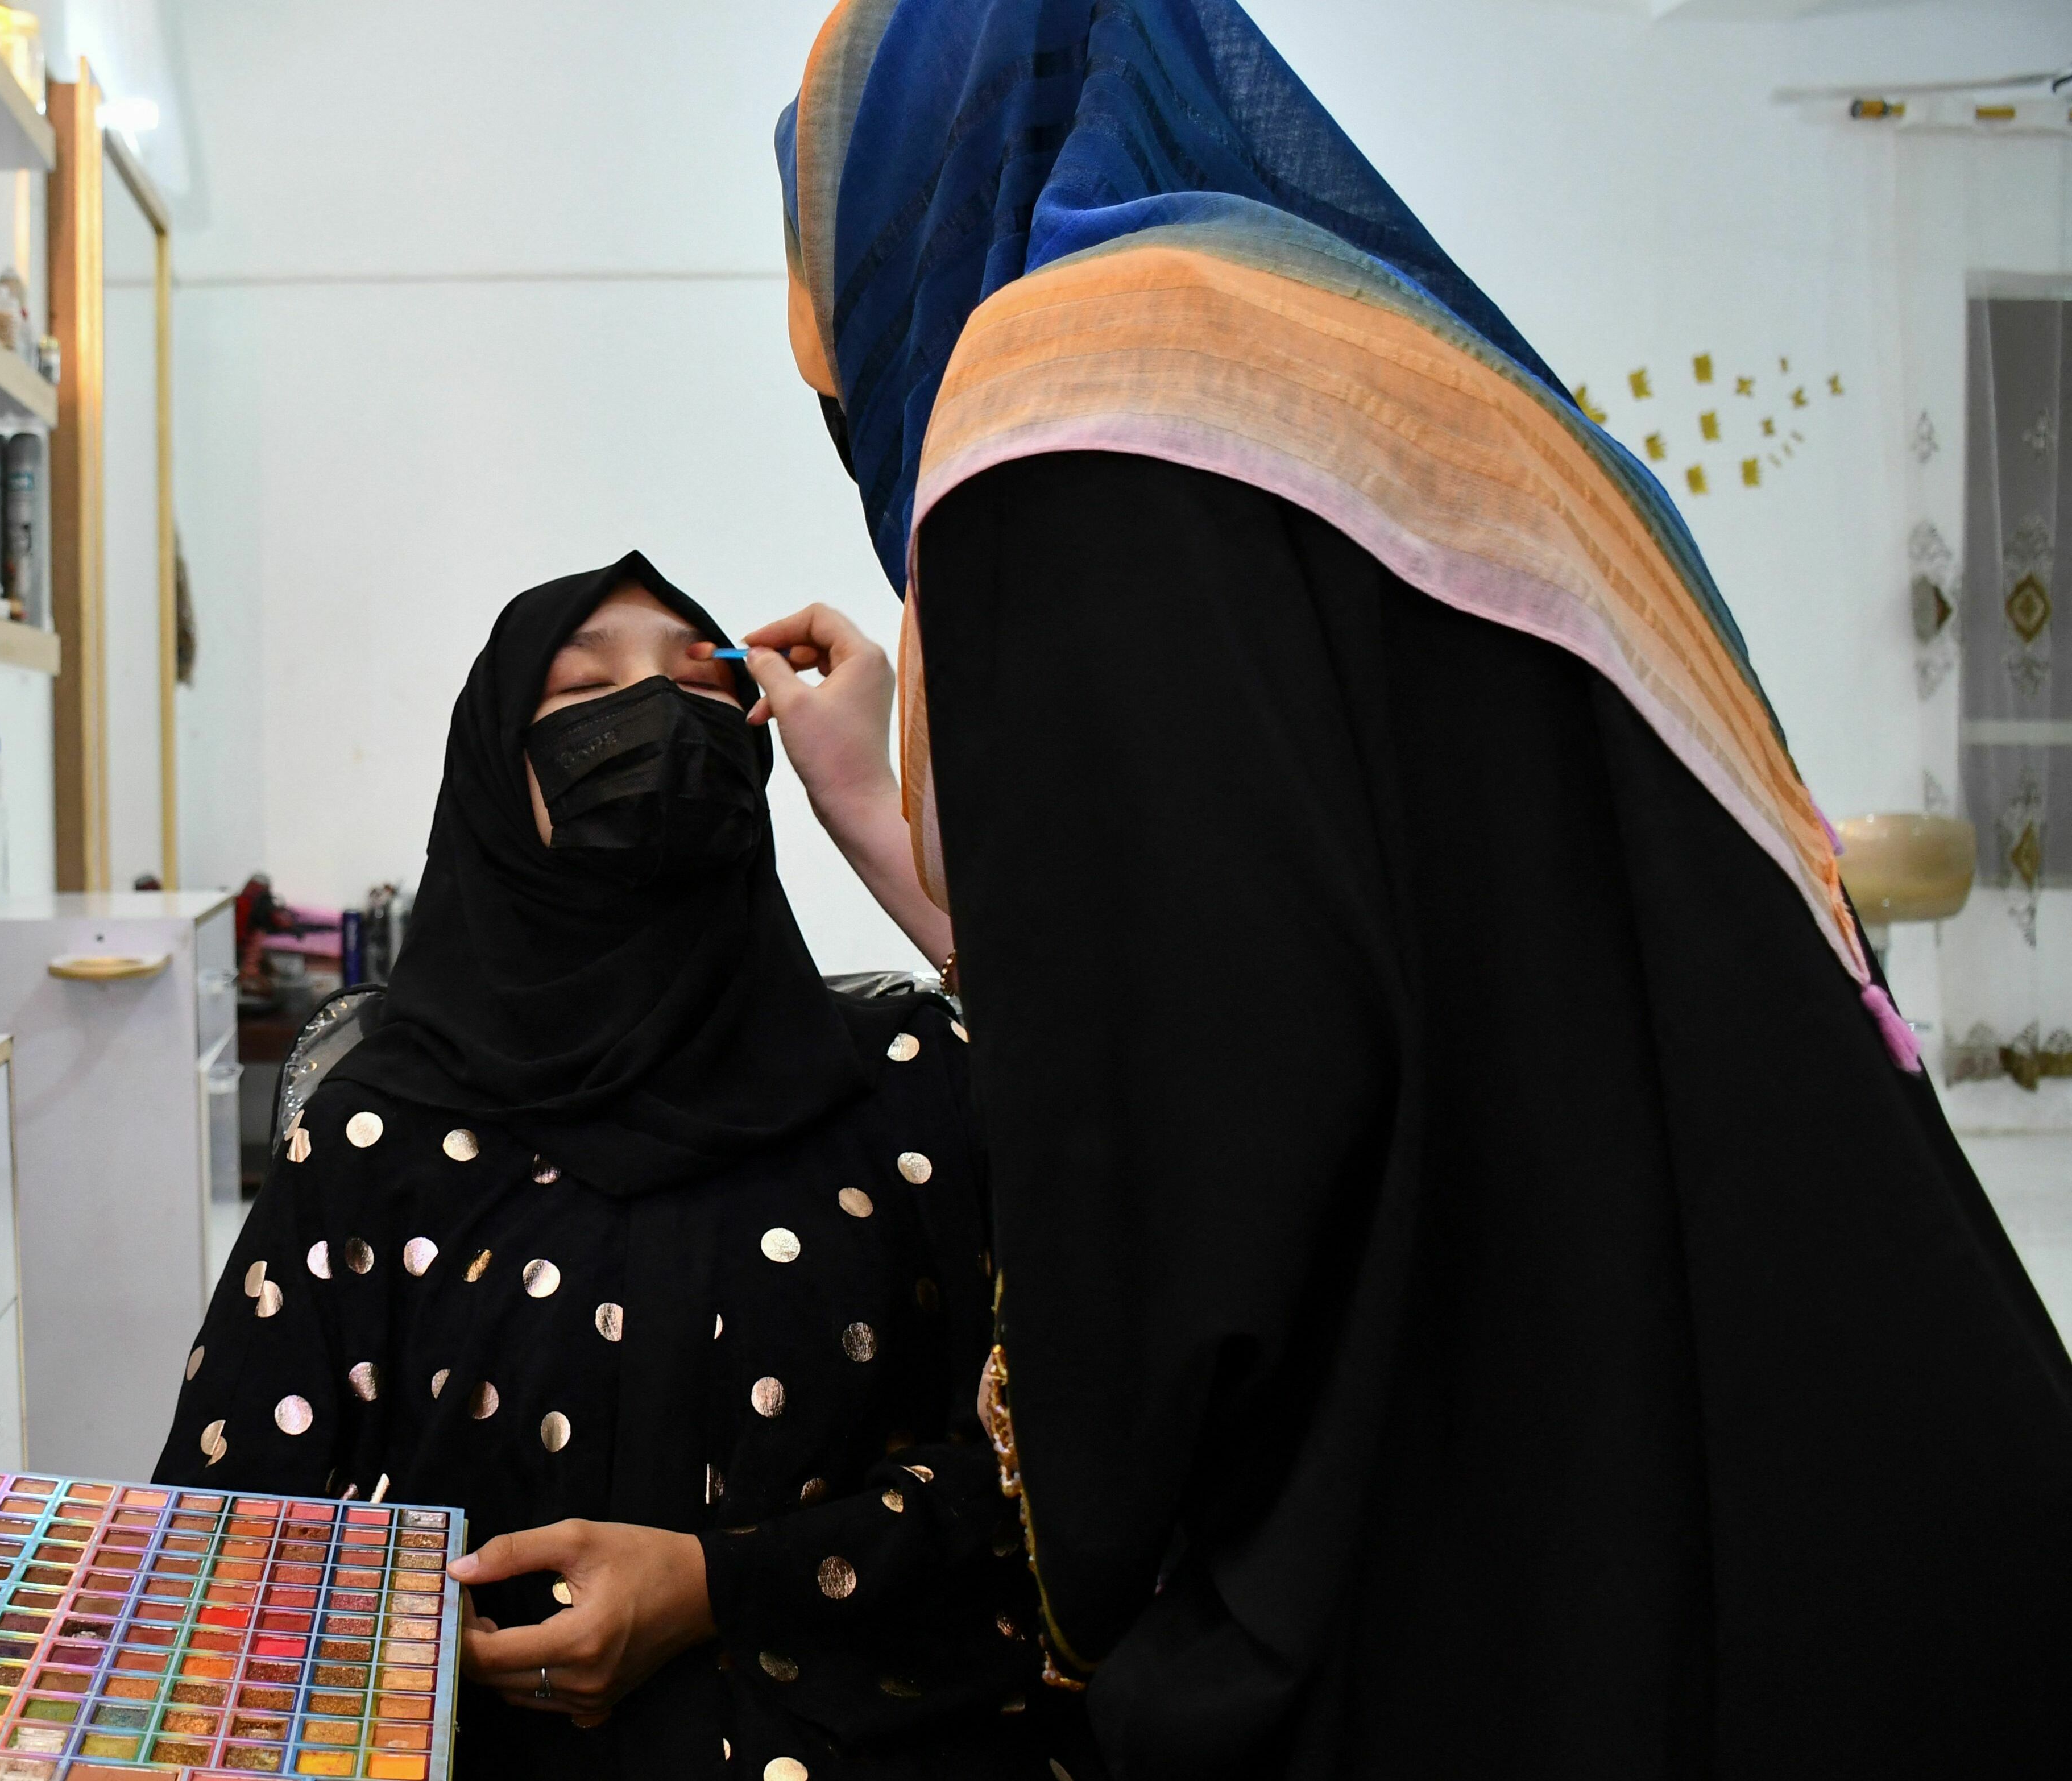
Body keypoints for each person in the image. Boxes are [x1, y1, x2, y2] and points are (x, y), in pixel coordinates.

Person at [758, 0, 2072, 1776]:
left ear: (902, 206)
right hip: (1827, 1461)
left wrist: (1097, 1582)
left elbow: (1181, 1161)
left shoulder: (1047, 426)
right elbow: (1333, 957)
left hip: (1537, 1580)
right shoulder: (1357, 366)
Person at [152, 554, 1047, 1779]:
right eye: (583, 692)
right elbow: (226, 1551)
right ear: (493, 775)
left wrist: (720, 1584)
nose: (657, 713)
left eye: (703, 686)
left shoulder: (913, 1078)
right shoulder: (379, 1131)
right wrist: (424, 1648)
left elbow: (1052, 1462)